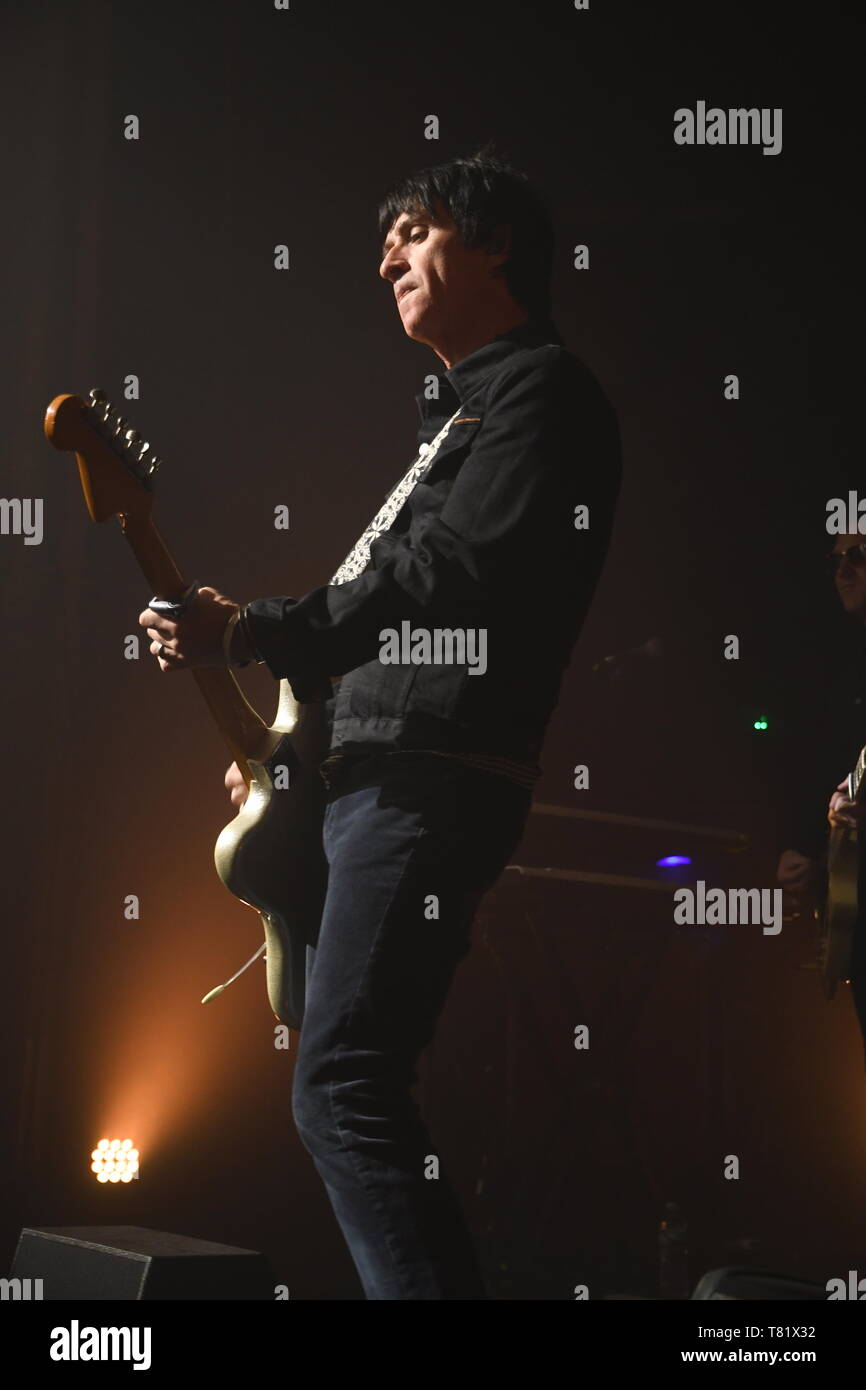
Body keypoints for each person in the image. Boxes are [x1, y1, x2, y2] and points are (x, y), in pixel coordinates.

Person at [138, 150, 622, 1299]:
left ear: (492, 242)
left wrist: (255, 628)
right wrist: (291, 754)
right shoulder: (454, 425)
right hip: (376, 776)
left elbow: (444, 578)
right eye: (384, 240)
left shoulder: (539, 395)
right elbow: (399, 612)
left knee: (344, 1083)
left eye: (412, 229)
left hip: (431, 781)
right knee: (341, 1078)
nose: (384, 255)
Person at [776, 534, 866, 1062]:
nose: (842, 571)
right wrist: (804, 847)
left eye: (859, 555)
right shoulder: (837, 667)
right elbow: (816, 771)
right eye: (836, 559)